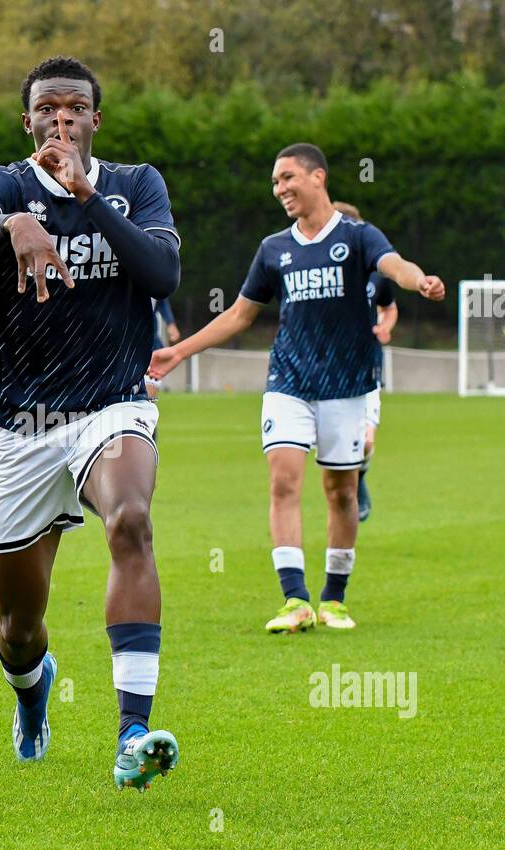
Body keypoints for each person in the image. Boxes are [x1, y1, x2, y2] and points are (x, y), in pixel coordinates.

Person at [0, 56, 181, 790]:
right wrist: (18, 222)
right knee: (18, 632)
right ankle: (32, 694)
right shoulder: (2, 184)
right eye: (47, 108)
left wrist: (89, 197)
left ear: (95, 120)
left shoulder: (136, 184)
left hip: (111, 403)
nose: (62, 119)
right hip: (23, 423)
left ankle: (132, 732)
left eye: (75, 108)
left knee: (131, 520)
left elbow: (161, 276)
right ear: (27, 121)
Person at [150, 144, 443, 632]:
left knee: (340, 492)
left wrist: (420, 282)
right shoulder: (273, 249)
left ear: (317, 178)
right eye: (274, 182)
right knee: (283, 480)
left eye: (287, 178)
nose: (280, 188)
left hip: (347, 387)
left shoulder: (358, 235)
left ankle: (334, 597)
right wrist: (180, 351)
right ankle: (295, 599)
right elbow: (240, 315)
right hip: (288, 382)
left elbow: (395, 266)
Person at [333, 202, 398, 521]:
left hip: (366, 368)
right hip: (326, 372)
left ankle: (359, 479)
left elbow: (389, 306)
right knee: (339, 447)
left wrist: (385, 326)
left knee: (367, 442)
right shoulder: (319, 268)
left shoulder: (376, 274)